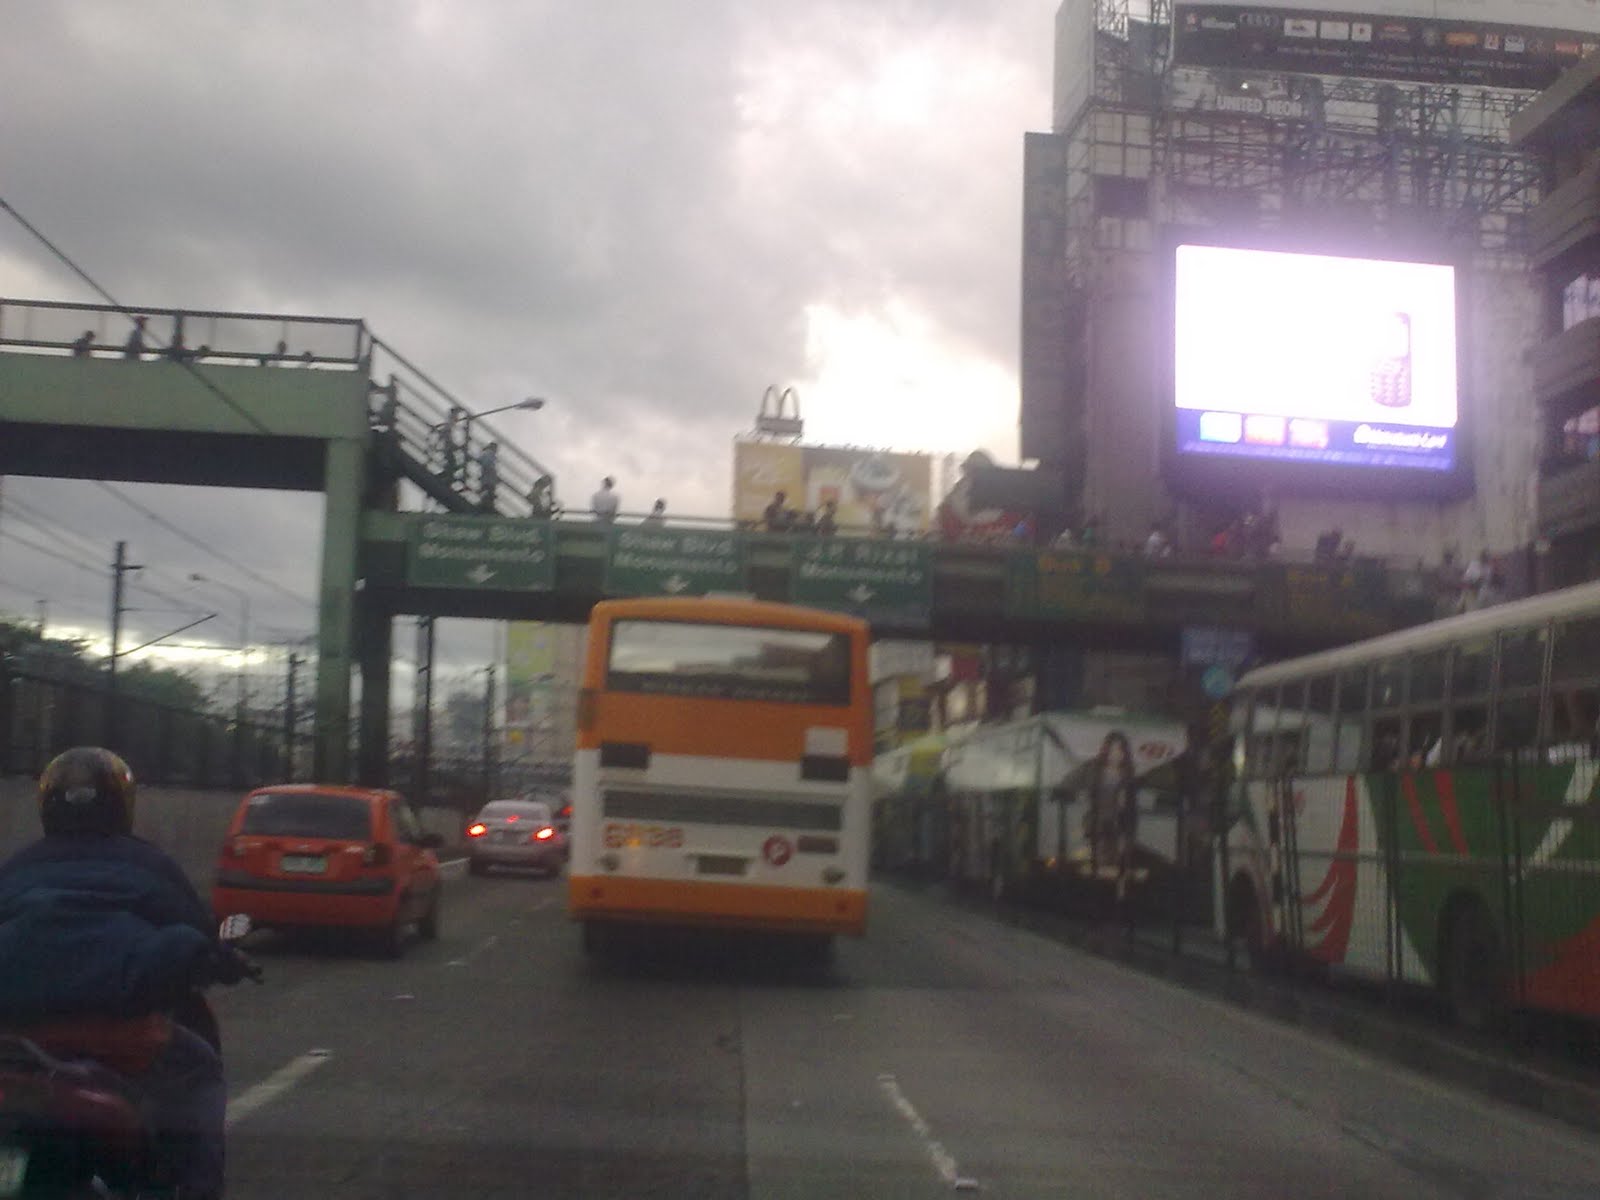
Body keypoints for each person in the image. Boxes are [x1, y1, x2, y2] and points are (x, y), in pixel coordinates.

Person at [0, 747, 254, 1199]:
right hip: (119, 1037)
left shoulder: (18, 866)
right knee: (200, 1070)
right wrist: (219, 958)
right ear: (122, 805)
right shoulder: (149, 864)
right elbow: (196, 932)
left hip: (16, 1038)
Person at [475, 440, 500, 512]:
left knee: (485, 493)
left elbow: (479, 460)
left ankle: (484, 507)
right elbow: (488, 465)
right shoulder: (490, 454)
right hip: (489, 479)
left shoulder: (485, 453)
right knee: (489, 494)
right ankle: (487, 509)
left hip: (485, 479)